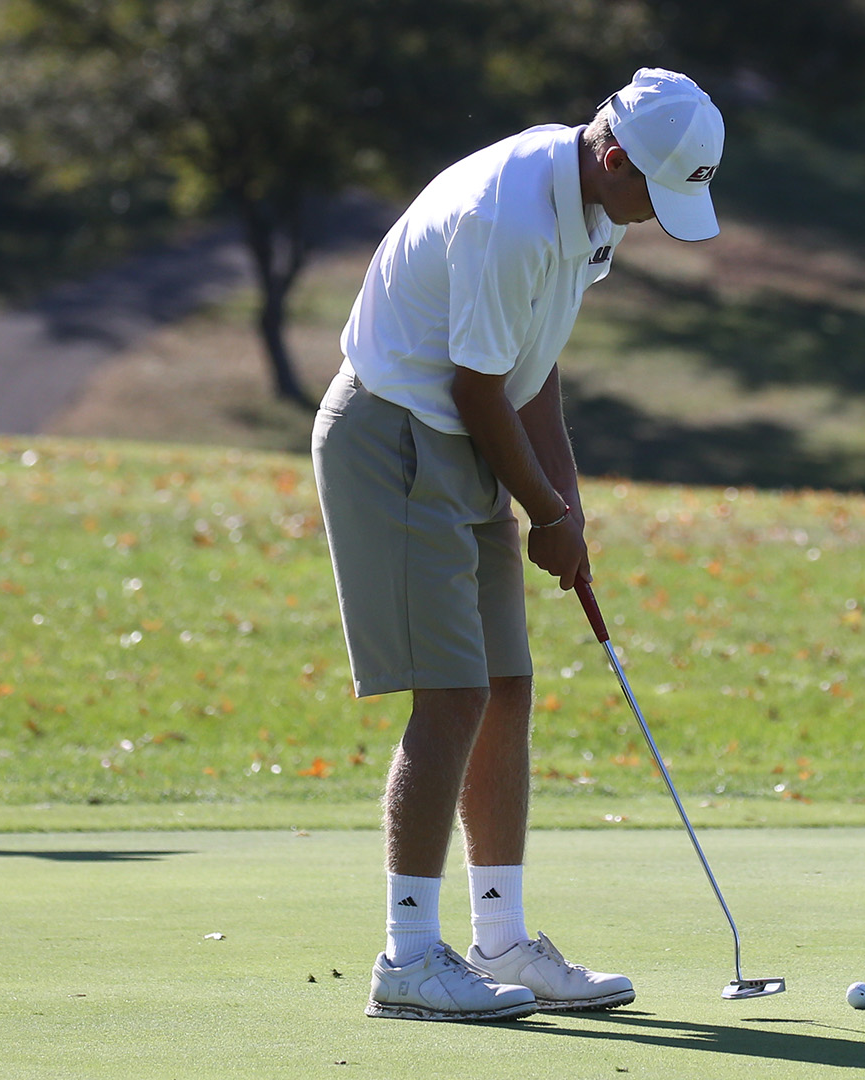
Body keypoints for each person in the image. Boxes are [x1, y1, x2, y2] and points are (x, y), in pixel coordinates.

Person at [310, 68, 724, 1022]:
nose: (657, 220)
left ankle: (502, 938)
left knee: (504, 685)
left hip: (463, 436)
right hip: (397, 436)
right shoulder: (516, 218)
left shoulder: (593, 203)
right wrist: (544, 513)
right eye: (653, 197)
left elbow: (531, 373)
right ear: (614, 154)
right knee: (452, 693)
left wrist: (565, 505)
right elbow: (475, 388)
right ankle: (408, 958)